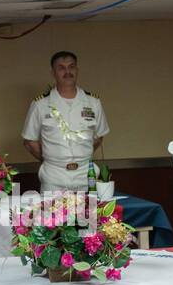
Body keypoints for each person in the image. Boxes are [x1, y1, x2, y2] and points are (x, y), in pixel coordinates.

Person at [21, 51, 110, 192]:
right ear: (53, 72)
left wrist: (82, 155)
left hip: (86, 175)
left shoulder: (93, 102)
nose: (67, 71)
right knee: (53, 214)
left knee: (88, 214)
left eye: (71, 67)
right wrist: (51, 159)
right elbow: (29, 142)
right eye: (61, 68)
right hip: (54, 176)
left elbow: (98, 137)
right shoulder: (41, 104)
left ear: (77, 70)